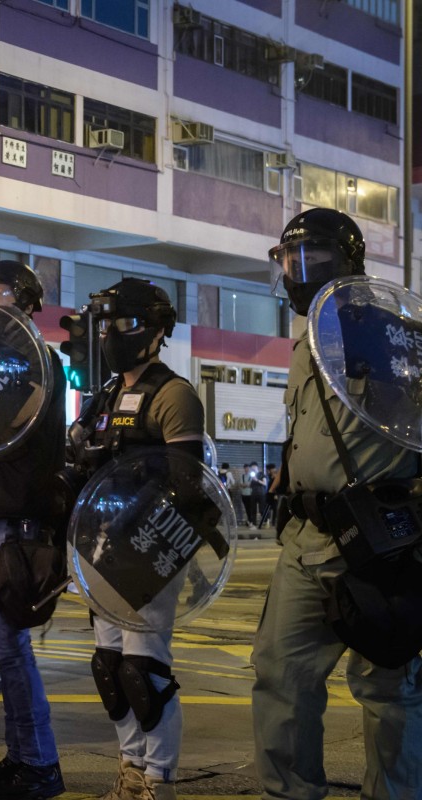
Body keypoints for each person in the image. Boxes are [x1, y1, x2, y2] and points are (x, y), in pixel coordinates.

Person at [253, 208, 422, 800]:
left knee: (389, 687)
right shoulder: (305, 342)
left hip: (379, 537)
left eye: (315, 260)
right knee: (281, 676)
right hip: (306, 535)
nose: (300, 273)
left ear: (350, 263)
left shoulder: (391, 334)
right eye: (290, 261)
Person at [67, 278, 204, 800]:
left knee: (143, 669)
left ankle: (158, 781)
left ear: (156, 331)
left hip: (148, 552)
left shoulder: (173, 395)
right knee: (110, 668)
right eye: (104, 324)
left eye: (123, 323)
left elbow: (187, 486)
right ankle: (129, 772)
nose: (111, 334)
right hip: (99, 548)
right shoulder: (105, 396)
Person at [0, 261, 67, 800]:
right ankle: (22, 756)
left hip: (18, 522)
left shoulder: (37, 361)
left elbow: (2, 421)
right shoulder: (4, 359)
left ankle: (40, 763)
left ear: (25, 302)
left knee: (8, 649)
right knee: (4, 650)